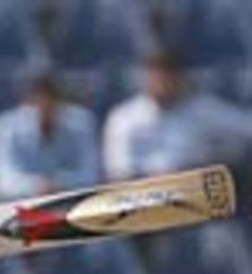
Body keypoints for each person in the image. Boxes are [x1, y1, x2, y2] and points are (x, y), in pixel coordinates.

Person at [103, 48, 252, 180]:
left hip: (196, 193)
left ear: (181, 78)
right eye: (157, 76)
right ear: (145, 78)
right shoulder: (124, 117)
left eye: (169, 77)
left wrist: (227, 155)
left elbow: (245, 129)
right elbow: (119, 171)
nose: (163, 83)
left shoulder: (205, 111)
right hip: (140, 198)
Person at [0, 71, 101, 200]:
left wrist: (58, 184)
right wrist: (36, 186)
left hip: (69, 205)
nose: (46, 104)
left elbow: (91, 176)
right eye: (40, 98)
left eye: (51, 97)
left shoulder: (82, 123)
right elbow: (2, 182)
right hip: (19, 208)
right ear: (29, 100)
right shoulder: (6, 126)